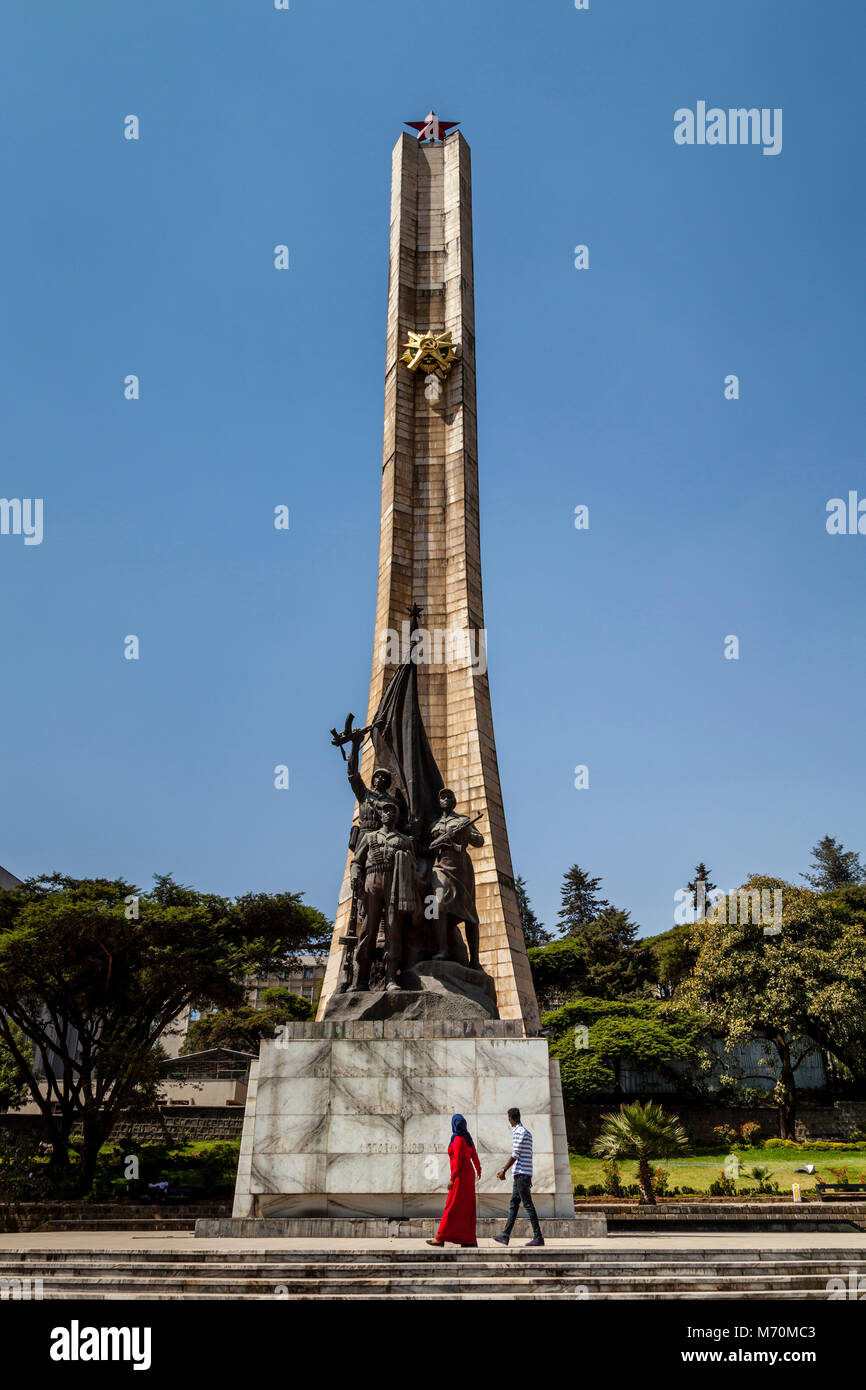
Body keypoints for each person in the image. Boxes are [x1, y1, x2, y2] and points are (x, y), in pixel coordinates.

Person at [350, 802, 417, 992]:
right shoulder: (370, 837)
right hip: (372, 881)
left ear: (396, 817)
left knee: (392, 928)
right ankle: (360, 980)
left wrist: (405, 859)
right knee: (367, 931)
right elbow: (357, 861)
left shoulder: (404, 840)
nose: (388, 814)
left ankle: (390, 979)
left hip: (394, 883)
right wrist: (355, 876)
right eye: (385, 811)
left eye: (392, 811)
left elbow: (412, 864)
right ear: (381, 816)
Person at [429, 788, 484, 969]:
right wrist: (439, 842)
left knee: (470, 914)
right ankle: (442, 949)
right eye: (442, 796)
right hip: (440, 866)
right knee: (437, 903)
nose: (445, 799)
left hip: (461, 867)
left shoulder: (463, 820)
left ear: (454, 801)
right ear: (439, 802)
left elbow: (479, 840)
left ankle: (474, 960)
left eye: (448, 796)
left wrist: (466, 832)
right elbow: (426, 846)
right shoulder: (434, 824)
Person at [426, 1114, 482, 1248]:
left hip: (460, 1176)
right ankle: (469, 1240)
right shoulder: (468, 1138)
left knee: (451, 1206)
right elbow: (474, 1156)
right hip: (469, 1175)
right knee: (467, 1208)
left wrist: (452, 1179)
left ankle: (440, 1238)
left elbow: (457, 1160)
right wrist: (478, 1170)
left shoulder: (457, 1138)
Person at [493, 1107, 544, 1247]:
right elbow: (527, 1154)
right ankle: (505, 1236)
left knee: (528, 1205)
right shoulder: (527, 1132)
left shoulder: (518, 1132)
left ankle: (538, 1237)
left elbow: (515, 1154)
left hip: (521, 1175)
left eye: (509, 1119)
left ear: (511, 1118)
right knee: (514, 1204)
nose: (509, 1121)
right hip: (523, 1174)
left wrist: (503, 1170)